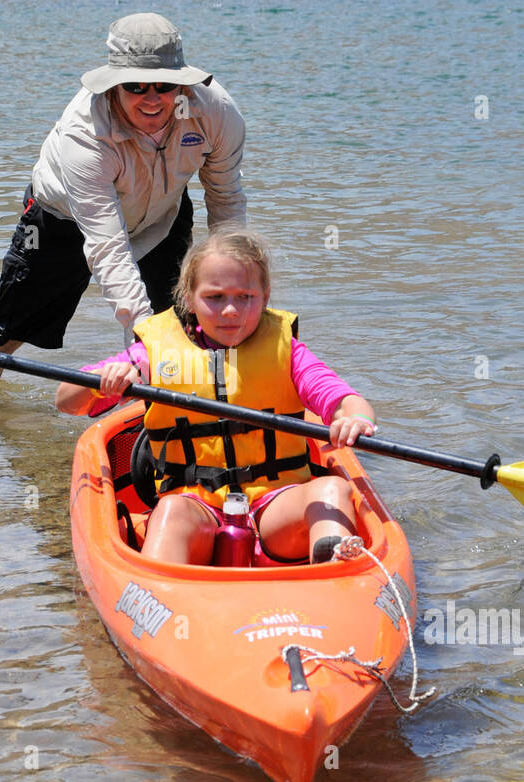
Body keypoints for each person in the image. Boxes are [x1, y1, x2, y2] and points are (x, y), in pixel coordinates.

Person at [0, 12, 247, 385]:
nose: (152, 99)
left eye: (164, 86)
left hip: (162, 216)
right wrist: (143, 338)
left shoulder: (216, 112)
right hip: (63, 222)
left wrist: (239, 280)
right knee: (2, 335)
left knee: (181, 326)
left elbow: (226, 202)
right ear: (114, 86)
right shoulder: (85, 134)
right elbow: (108, 247)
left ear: (181, 84)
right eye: (136, 87)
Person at [55, 231, 377, 566]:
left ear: (265, 297)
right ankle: (160, 595)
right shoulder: (150, 355)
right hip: (195, 510)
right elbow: (67, 400)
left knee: (332, 492)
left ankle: (333, 578)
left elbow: (343, 400)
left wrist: (356, 418)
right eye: (215, 297)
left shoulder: (288, 353)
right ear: (189, 299)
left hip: (277, 506)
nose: (230, 311)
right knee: (171, 511)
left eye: (245, 297)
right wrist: (102, 383)